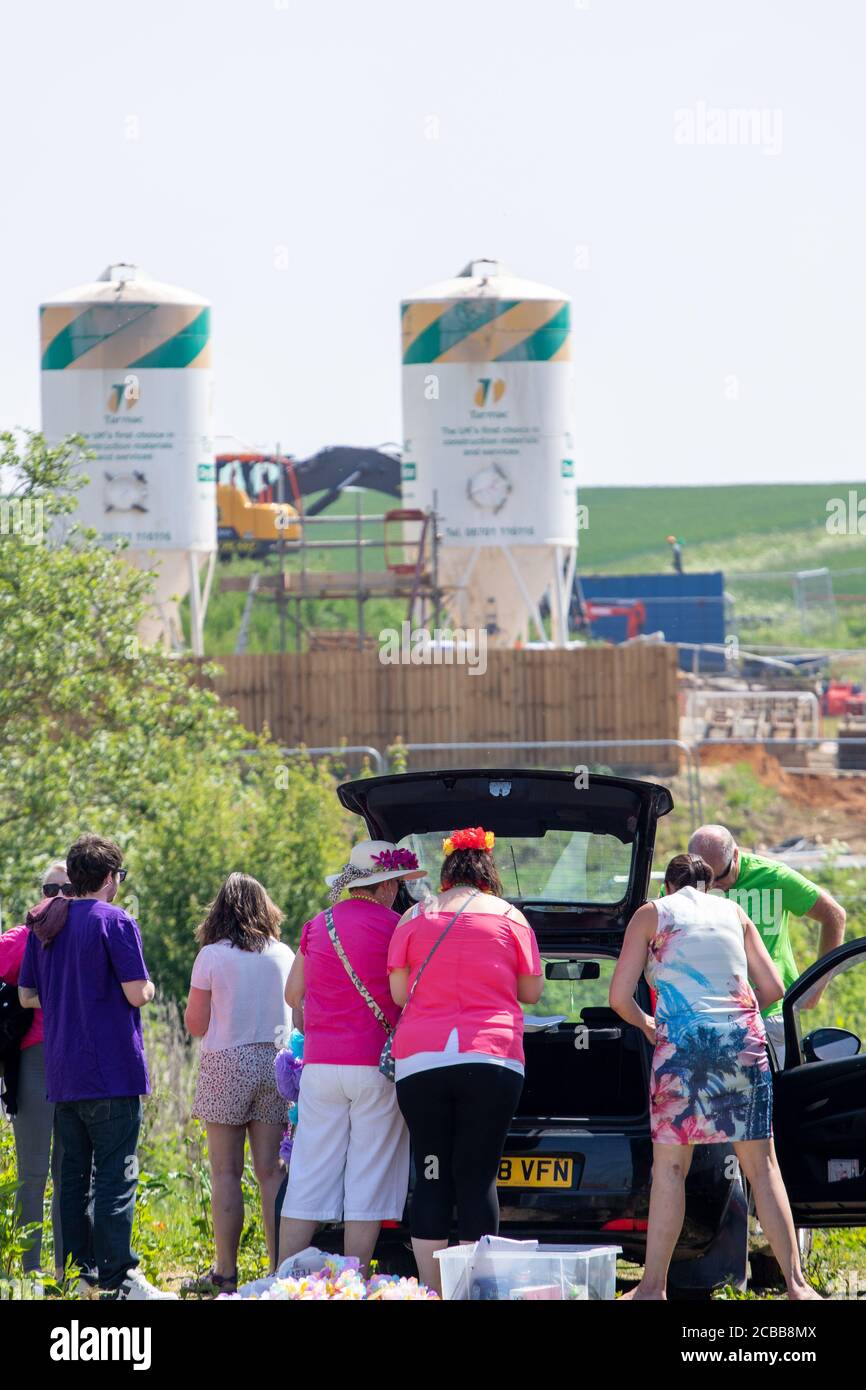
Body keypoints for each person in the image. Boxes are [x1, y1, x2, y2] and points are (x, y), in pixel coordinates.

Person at [609, 852, 820, 1300]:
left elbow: (619, 996)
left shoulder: (653, 912)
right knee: (763, 1169)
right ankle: (798, 1287)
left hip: (682, 1046)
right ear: (710, 887)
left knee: (670, 1167)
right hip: (742, 1044)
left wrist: (649, 1026)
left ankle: (652, 1288)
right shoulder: (734, 912)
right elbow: (774, 989)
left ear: (668, 887)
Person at [18, 834, 175, 1300]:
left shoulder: (46, 924)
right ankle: (119, 1277)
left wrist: (68, 996)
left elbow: (27, 995)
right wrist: (147, 990)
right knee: (115, 1175)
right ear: (109, 878)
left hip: (64, 1072)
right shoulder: (116, 921)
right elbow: (136, 992)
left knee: (71, 1179)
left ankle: (78, 1274)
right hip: (112, 1070)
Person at [387, 827, 543, 1295]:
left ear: (446, 872)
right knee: (477, 1177)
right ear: (489, 871)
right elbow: (531, 992)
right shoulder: (511, 917)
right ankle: (479, 1291)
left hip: (422, 1063)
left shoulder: (413, 916)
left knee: (431, 1173)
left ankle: (432, 1291)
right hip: (491, 1059)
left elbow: (399, 993)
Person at [279, 841, 423, 1273]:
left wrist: (322, 1025)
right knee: (369, 1176)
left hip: (321, 1068)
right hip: (376, 1067)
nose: (397, 890)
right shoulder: (399, 927)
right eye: (396, 883)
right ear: (383, 886)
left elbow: (292, 995)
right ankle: (352, 1278)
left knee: (308, 1173)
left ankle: (283, 1277)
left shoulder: (318, 925)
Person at [184, 873, 295, 1293]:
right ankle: (278, 1270)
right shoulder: (283, 953)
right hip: (275, 1063)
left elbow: (196, 1024)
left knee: (226, 1172)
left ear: (219, 912)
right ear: (265, 909)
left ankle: (226, 1272)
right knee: (271, 1171)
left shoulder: (212, 956)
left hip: (227, 1062)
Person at [687, 825, 846, 1066]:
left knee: (782, 1100)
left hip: (770, 1018)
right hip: (706, 1019)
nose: (715, 887)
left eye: (721, 877)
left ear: (736, 855)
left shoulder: (772, 876)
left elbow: (834, 915)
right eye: (705, 879)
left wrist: (816, 987)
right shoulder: (685, 883)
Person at [0, 860, 69, 1277]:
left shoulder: (89, 932)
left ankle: (66, 1269)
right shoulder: (23, 937)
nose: (58, 897)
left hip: (75, 1059)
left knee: (70, 1170)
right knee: (32, 1171)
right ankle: (28, 1270)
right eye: (50, 889)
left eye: (67, 889)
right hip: (33, 1058)